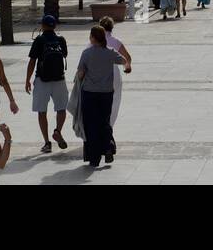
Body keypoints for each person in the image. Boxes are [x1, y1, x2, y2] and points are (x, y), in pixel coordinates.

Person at [75, 25, 126, 168]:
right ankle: (108, 147)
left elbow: (80, 73)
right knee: (104, 121)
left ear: (92, 38)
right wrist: (126, 67)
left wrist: (83, 75)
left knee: (91, 124)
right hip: (106, 93)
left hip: (89, 93)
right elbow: (123, 60)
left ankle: (94, 158)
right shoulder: (109, 52)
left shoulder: (86, 53)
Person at [25, 14, 69, 153]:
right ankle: (57, 130)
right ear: (55, 26)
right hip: (59, 79)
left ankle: (47, 142)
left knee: (42, 111)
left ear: (43, 26)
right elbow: (65, 55)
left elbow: (32, 61)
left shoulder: (39, 40)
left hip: (42, 80)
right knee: (61, 109)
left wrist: (27, 79)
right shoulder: (60, 40)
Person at [98, 16, 133, 128]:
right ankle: (109, 127)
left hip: (98, 74)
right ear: (112, 28)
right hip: (114, 73)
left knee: (99, 102)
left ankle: (100, 127)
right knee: (115, 101)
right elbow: (127, 57)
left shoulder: (94, 41)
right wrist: (127, 67)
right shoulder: (116, 41)